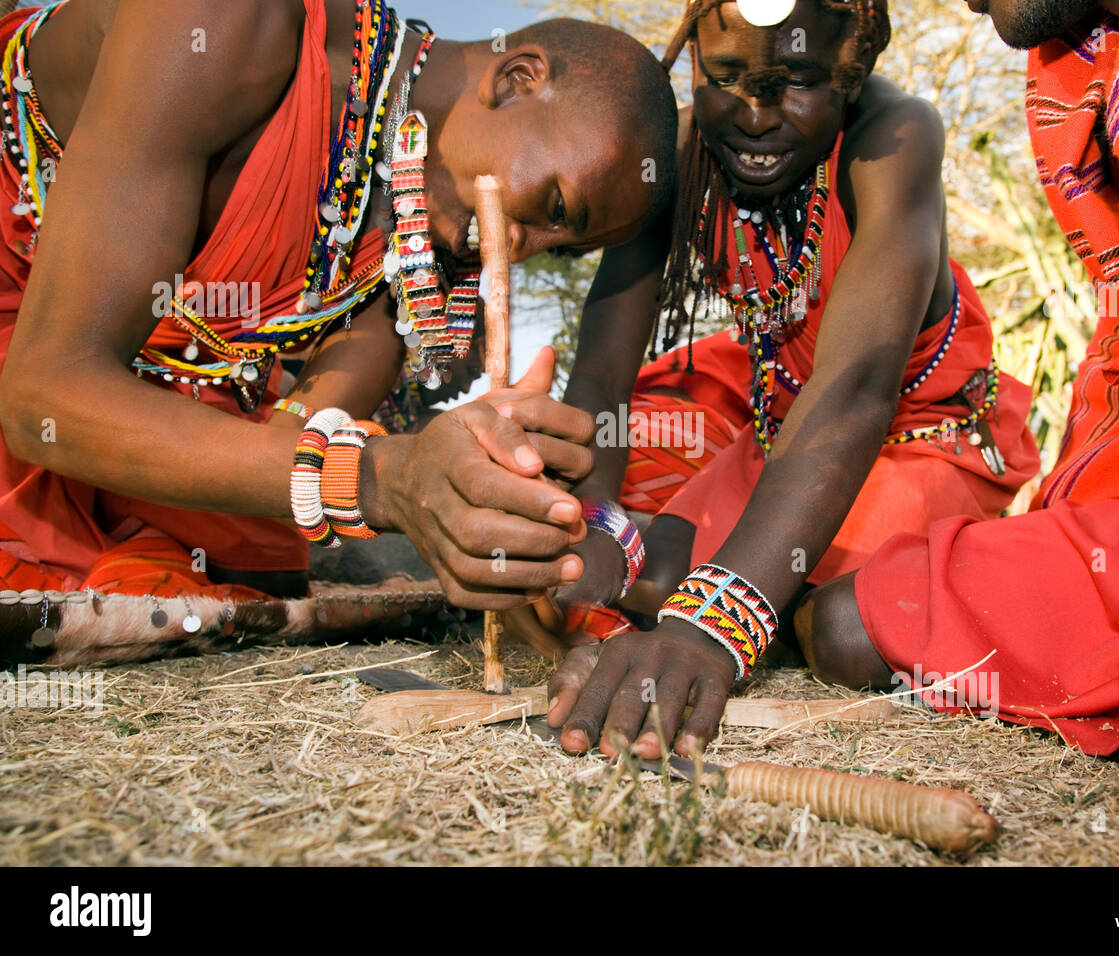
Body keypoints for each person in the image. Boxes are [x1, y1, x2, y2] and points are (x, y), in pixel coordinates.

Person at [0, 1, 679, 630]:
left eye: (561, 252)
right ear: (517, 79)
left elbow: (291, 441)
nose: (522, 249)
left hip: (128, 380)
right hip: (37, 358)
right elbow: (44, 394)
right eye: (557, 209)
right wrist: (384, 478)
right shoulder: (224, 22)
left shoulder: (414, 250)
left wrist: (486, 498)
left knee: (253, 555)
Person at [540, 0, 1041, 759]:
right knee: (654, 572)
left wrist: (709, 629)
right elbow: (605, 374)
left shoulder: (894, 140)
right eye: (725, 76)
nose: (752, 115)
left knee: (839, 627)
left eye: (796, 80)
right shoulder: (677, 155)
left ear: (852, 65)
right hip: (783, 436)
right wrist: (588, 541)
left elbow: (857, 388)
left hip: (912, 437)